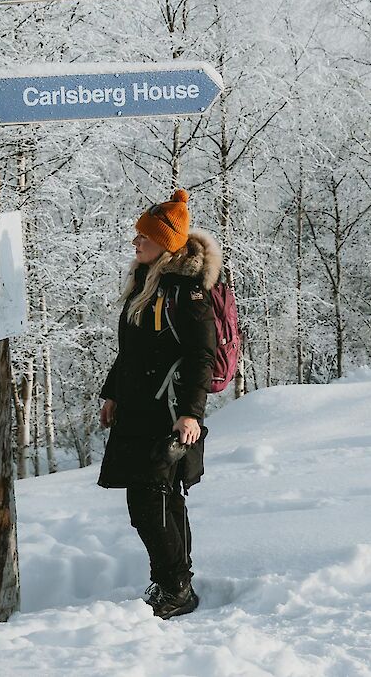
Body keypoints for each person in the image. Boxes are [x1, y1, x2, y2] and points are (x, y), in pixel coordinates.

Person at [97, 189, 221, 620]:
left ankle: (176, 588)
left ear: (165, 245)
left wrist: (191, 413)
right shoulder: (146, 284)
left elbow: (202, 355)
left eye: (144, 238)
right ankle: (172, 580)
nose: (136, 242)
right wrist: (112, 393)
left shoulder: (186, 292)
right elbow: (132, 351)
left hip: (166, 413)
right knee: (157, 502)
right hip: (137, 410)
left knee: (152, 504)